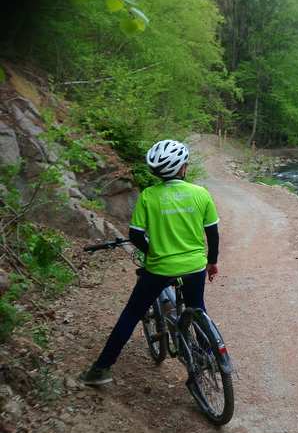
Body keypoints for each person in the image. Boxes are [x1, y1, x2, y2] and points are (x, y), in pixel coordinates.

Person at [79, 139, 220, 385]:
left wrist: (152, 253)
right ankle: (209, 355)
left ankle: (101, 369)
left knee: (131, 314)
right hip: (195, 266)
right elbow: (213, 233)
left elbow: (134, 235)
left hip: (159, 268)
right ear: (183, 168)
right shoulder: (200, 193)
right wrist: (212, 262)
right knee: (197, 308)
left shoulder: (148, 196)